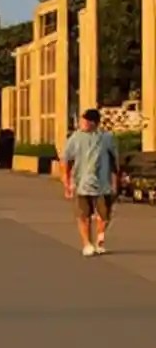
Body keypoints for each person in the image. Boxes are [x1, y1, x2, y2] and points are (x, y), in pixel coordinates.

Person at [61, 108, 120, 257]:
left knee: (104, 215)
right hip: (82, 182)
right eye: (83, 120)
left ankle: (100, 239)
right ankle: (87, 244)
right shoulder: (76, 138)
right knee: (83, 215)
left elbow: (114, 162)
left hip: (103, 183)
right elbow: (65, 160)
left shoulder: (106, 138)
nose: (84, 123)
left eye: (87, 120)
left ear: (95, 123)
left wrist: (115, 182)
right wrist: (67, 183)